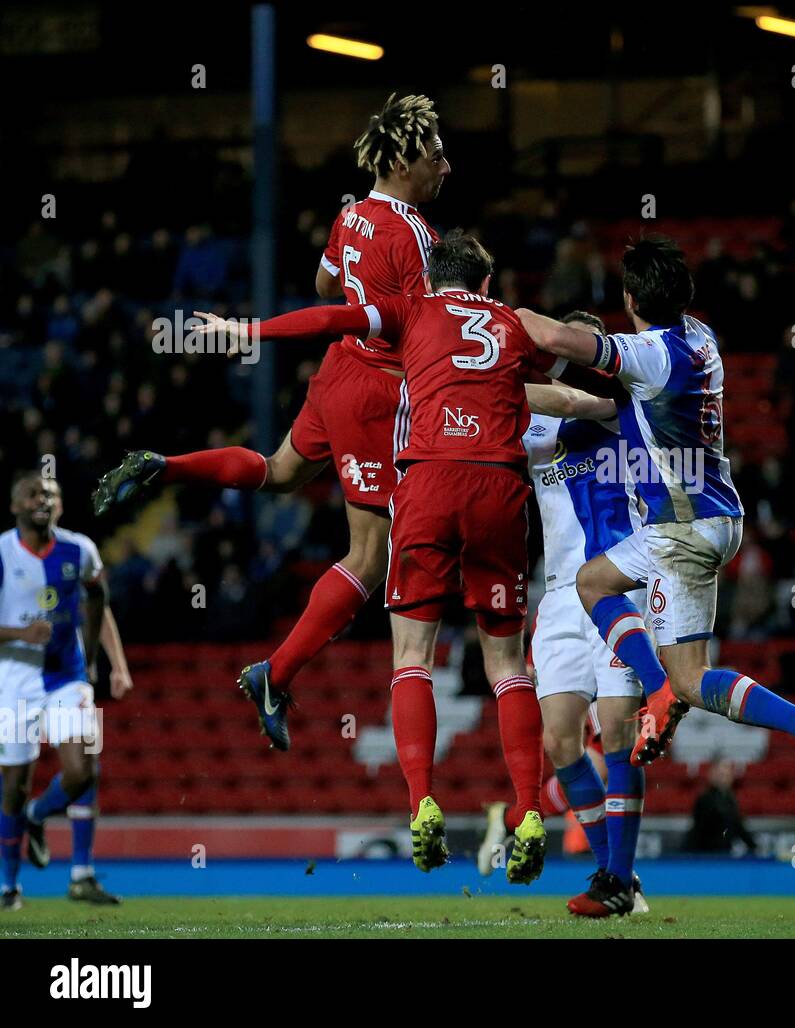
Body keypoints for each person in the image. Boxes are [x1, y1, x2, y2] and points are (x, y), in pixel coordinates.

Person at [195, 232, 563, 884]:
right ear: (485, 282)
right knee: (507, 664)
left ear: (431, 276)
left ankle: (422, 800)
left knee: (411, 656)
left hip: (426, 482)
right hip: (501, 488)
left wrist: (247, 329)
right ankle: (530, 811)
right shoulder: (514, 322)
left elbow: (331, 315)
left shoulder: (410, 309)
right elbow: (563, 379)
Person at [91, 94, 448, 750]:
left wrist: (356, 294)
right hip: (374, 394)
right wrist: (254, 329)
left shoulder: (349, 216)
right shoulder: (417, 235)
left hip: (335, 375)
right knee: (370, 558)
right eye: (435, 156)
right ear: (403, 161)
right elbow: (392, 326)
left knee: (281, 471)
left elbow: (323, 285)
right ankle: (274, 674)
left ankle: (165, 466)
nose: (445, 167)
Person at [515, 241, 795, 868]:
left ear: (631, 301)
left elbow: (555, 337)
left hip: (682, 529)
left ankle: (691, 696)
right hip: (717, 515)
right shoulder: (702, 338)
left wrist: (474, 312)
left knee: (607, 600)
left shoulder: (648, 357)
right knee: (611, 595)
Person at [488, 310, 652, 916]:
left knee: (618, 732)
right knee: (559, 739)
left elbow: (577, 399)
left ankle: (616, 878)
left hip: (617, 585)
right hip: (558, 594)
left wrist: (475, 372)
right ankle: (616, 878)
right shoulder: (533, 425)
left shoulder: (617, 403)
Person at [0, 473, 126, 908]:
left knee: (82, 770)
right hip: (12, 681)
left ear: (61, 505)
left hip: (65, 676)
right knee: (14, 785)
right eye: (32, 493)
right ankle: (8, 885)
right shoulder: (1, 552)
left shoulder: (80, 549)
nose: (43, 499)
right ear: (15, 505)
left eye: (51, 493)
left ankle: (41, 819)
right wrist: (19, 632)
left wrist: (102, 662)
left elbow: (97, 598)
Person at [683, 759, 756, 854]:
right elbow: (700, 829)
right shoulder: (704, 799)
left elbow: (737, 825)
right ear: (712, 776)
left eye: (727, 775)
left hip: (724, 852)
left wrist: (753, 847)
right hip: (706, 852)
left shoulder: (730, 798)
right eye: (721, 775)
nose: (724, 778)